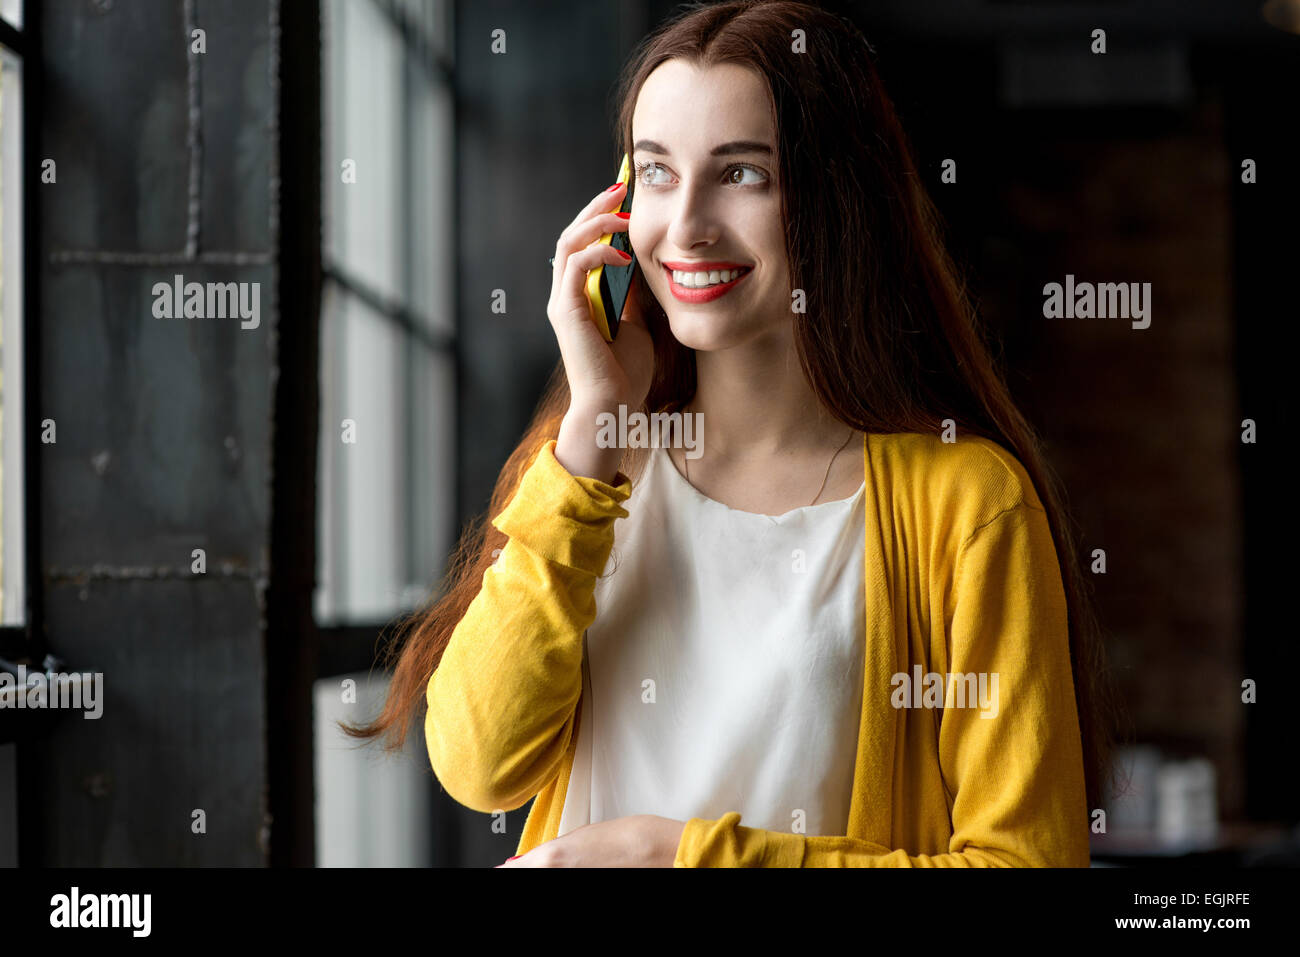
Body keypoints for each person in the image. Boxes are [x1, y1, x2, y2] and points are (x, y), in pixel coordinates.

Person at [345, 0, 1119, 867]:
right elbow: (477, 764)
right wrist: (596, 424)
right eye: (657, 174)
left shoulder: (967, 503)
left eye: (742, 173)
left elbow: (1028, 862)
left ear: (837, 203)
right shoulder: (588, 467)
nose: (686, 227)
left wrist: (668, 855)